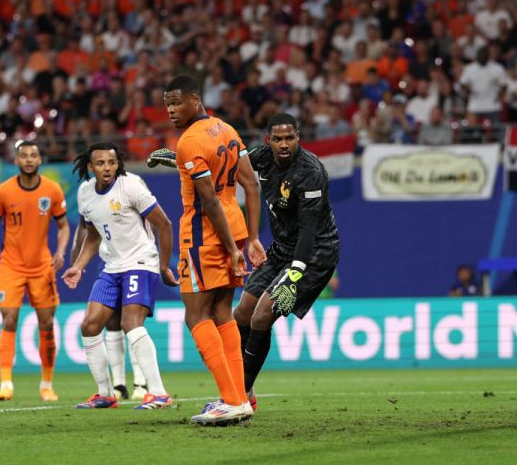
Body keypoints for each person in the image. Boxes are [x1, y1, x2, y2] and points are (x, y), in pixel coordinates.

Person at [150, 113, 339, 411]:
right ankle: (241, 395)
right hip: (282, 250)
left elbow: (309, 230)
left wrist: (294, 274)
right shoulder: (263, 157)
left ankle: (241, 393)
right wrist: (179, 159)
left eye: (289, 138)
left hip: (314, 255)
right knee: (240, 315)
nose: (284, 144)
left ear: (299, 138)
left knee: (262, 316)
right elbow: (220, 167)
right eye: (277, 139)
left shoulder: (311, 171)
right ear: (269, 141)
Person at [162, 74, 265, 425]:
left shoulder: (188, 142)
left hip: (203, 234)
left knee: (195, 315)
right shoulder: (227, 130)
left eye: (176, 102)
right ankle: (240, 398)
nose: (171, 110)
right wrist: (250, 239)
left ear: (195, 98)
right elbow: (251, 185)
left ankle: (231, 399)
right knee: (223, 311)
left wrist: (231, 248)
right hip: (233, 227)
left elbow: (207, 201)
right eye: (167, 104)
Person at [62, 142, 176, 409]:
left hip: (140, 261)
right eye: (100, 163)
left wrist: (163, 266)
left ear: (118, 164)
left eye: (111, 163)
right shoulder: (85, 193)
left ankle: (158, 392)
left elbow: (164, 224)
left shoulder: (131, 186)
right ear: (90, 167)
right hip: (112, 267)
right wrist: (78, 266)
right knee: (90, 325)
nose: (107, 168)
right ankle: (105, 394)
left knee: (131, 323)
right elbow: (92, 235)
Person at [0, 140, 70, 401]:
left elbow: (64, 226)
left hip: (42, 266)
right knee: (9, 319)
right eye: (24, 156)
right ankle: (6, 384)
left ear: (40, 159)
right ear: (16, 160)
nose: (29, 159)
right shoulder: (3, 191)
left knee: (46, 323)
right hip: (11, 265)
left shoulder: (52, 190)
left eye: (34, 155)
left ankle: (46, 385)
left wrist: (60, 252)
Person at [70, 219, 151, 401]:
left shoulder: (134, 189)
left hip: (135, 261)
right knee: (112, 323)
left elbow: (153, 220)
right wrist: (76, 261)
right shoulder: (88, 191)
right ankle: (118, 385)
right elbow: (85, 227)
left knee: (132, 322)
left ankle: (141, 383)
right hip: (109, 261)